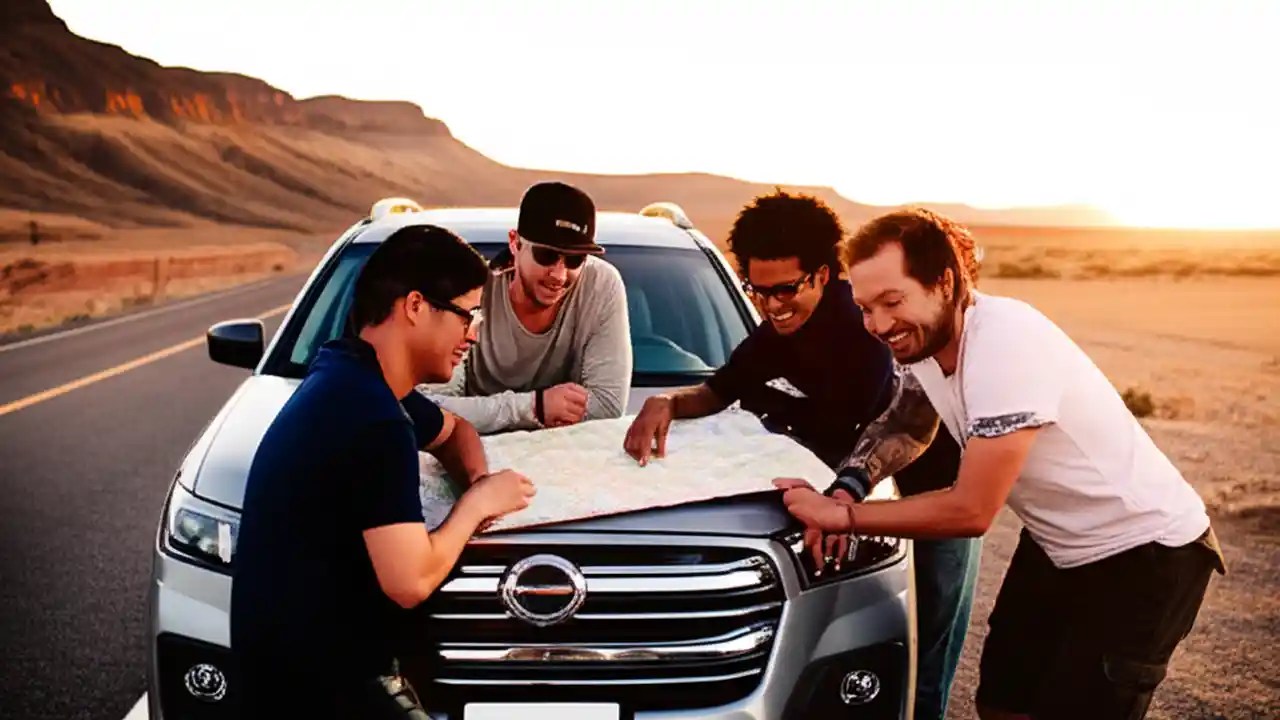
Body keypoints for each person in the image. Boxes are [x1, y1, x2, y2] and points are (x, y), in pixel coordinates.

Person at [776, 207, 1227, 720]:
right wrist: (846, 490)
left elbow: (971, 511)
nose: (878, 325)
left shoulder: (1003, 343)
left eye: (892, 301)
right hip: (1057, 545)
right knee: (1002, 703)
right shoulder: (926, 342)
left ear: (944, 282)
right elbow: (905, 426)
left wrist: (846, 520)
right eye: (865, 307)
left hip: (1143, 552)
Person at [622, 188, 975, 719]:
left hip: (929, 498)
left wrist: (833, 488)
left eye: (785, 290)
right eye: (758, 292)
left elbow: (875, 430)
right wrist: (667, 402)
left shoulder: (866, 328)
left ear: (824, 274)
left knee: (916, 666)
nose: (772, 306)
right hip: (845, 500)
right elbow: (722, 387)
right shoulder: (779, 327)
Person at [231, 225, 537, 718]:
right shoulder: (375, 421)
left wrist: (477, 478)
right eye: (468, 313)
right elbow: (410, 580)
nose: (475, 333)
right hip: (321, 689)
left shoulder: (347, 375)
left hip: (287, 669)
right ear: (415, 306)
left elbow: (455, 431)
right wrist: (479, 504)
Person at [419, 181, 631, 433]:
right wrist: (534, 408)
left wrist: (482, 413)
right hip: (466, 453)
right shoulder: (469, 288)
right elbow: (431, 409)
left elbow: (608, 407)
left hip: (567, 460)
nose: (559, 275)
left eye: (575, 259)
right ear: (514, 243)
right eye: (546, 255)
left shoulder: (601, 286)